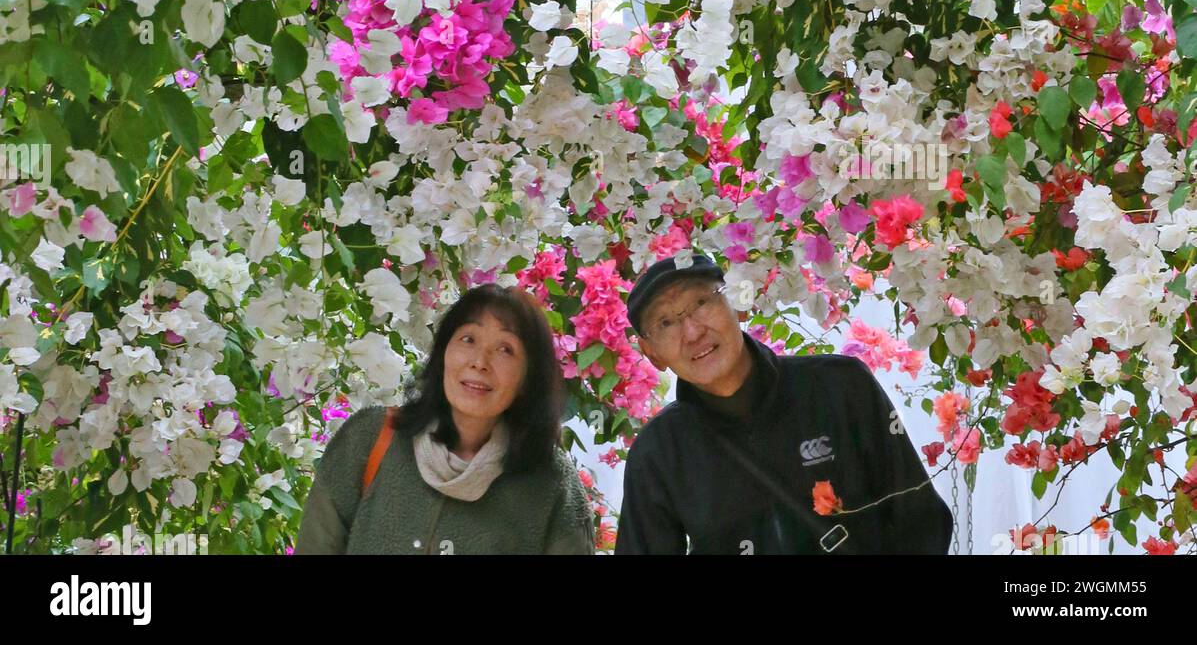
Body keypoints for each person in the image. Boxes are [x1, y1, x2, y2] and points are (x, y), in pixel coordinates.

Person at [614, 252, 954, 555]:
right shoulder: (659, 453)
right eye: (665, 323)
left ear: (736, 302)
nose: (691, 332)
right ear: (652, 353)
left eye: (701, 303)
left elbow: (921, 519)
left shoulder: (842, 387)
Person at [294, 282, 594, 554]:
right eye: (468, 339)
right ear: (443, 353)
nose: (479, 362)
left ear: (528, 377)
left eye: (505, 349)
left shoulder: (552, 486)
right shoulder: (369, 438)